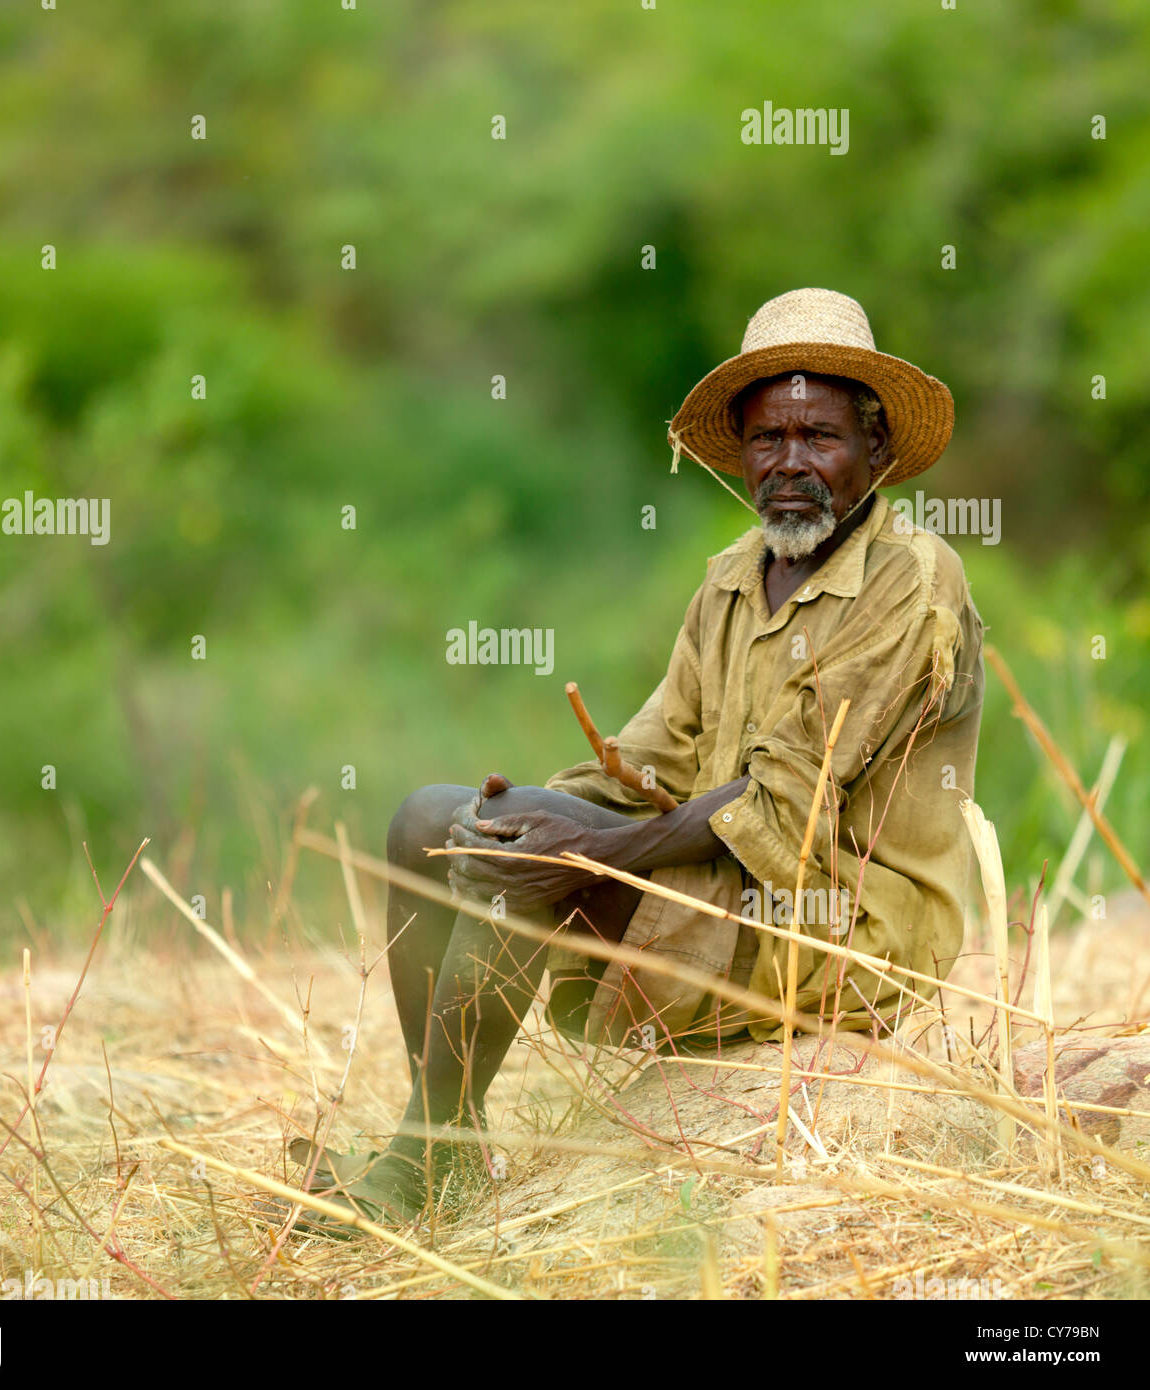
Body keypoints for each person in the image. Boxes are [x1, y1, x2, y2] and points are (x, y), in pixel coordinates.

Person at [306, 287, 985, 1232]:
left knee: (538, 862)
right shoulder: (734, 577)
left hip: (838, 921)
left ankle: (428, 1161)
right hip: (726, 878)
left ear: (875, 451)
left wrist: (583, 848)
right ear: (741, 453)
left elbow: (788, 802)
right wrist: (532, 806)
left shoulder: (910, 579)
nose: (791, 464)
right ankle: (445, 1137)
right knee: (429, 817)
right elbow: (653, 754)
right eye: (767, 439)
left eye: (820, 437)